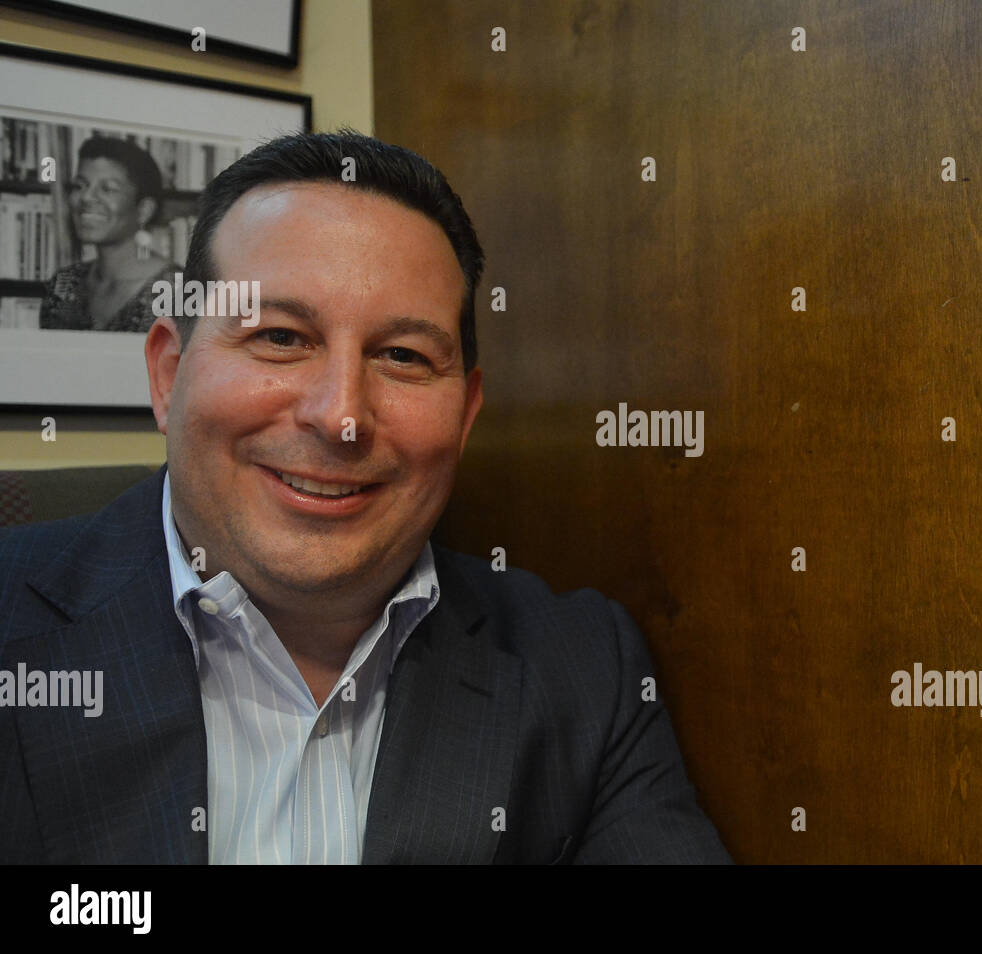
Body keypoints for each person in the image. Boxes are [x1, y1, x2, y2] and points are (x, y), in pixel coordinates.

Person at [0, 130, 731, 864]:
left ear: (466, 414)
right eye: (281, 337)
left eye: (403, 357)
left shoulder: (581, 669)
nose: (341, 415)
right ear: (168, 375)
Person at [39, 135, 179, 333]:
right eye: (80, 186)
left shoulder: (180, 291)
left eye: (108, 189)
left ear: (144, 210)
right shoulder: (63, 285)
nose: (86, 197)